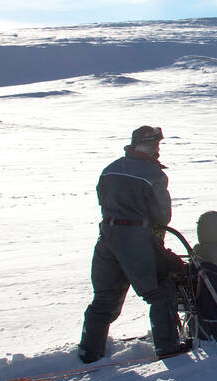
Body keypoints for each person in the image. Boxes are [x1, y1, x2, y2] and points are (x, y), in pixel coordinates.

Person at [78, 125, 192, 362]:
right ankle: (168, 347)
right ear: (149, 146)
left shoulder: (110, 169)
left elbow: (102, 198)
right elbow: (162, 216)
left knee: (105, 297)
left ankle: (89, 351)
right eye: (156, 145)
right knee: (160, 292)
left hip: (107, 237)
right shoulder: (153, 174)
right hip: (136, 241)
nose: (158, 150)